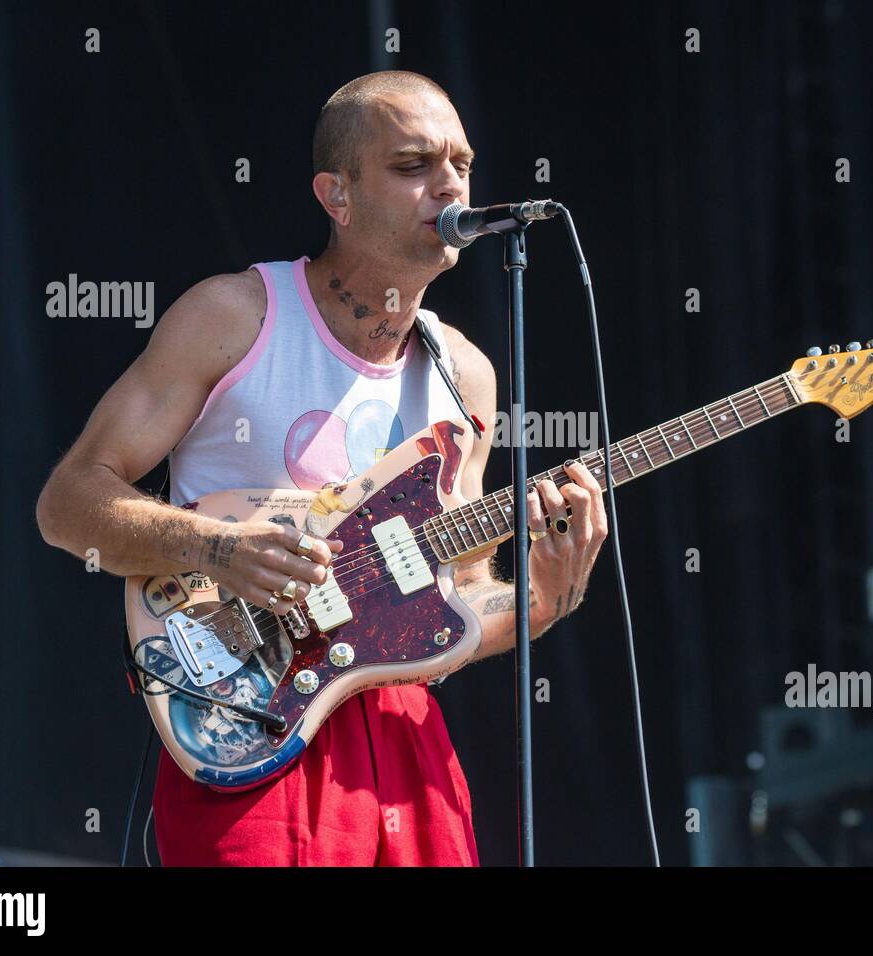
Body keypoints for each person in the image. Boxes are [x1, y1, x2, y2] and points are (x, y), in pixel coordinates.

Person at [35, 70, 608, 866]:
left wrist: (546, 598)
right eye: (413, 166)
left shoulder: (464, 375)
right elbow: (68, 504)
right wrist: (217, 549)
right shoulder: (236, 316)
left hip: (404, 744)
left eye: (461, 164)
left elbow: (463, 604)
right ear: (337, 196)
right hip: (250, 727)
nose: (449, 183)